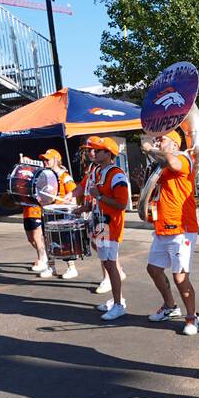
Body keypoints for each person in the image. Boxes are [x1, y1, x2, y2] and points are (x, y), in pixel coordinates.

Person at [140, 129, 199, 335]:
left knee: (180, 277)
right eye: (157, 140)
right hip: (163, 227)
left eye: (162, 140)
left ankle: (193, 318)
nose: (158, 142)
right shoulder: (162, 165)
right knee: (154, 269)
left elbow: (172, 162)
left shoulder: (183, 158)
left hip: (181, 229)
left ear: (175, 145)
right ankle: (169, 306)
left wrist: (149, 149)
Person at [77, 136, 132, 321]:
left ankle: (118, 305)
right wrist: (85, 207)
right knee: (107, 264)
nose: (94, 152)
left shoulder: (116, 174)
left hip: (111, 226)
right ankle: (117, 300)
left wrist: (99, 197)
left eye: (99, 150)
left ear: (109, 154)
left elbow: (122, 204)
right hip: (101, 224)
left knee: (111, 264)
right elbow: (96, 197)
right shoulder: (100, 172)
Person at [32, 149, 80, 280]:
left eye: (48, 159)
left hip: (61, 213)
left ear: (56, 160)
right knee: (48, 240)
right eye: (44, 160)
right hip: (48, 212)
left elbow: (74, 194)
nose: (45, 162)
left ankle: (72, 268)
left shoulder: (65, 177)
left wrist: (72, 212)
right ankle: (51, 267)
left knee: (65, 241)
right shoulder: (44, 176)